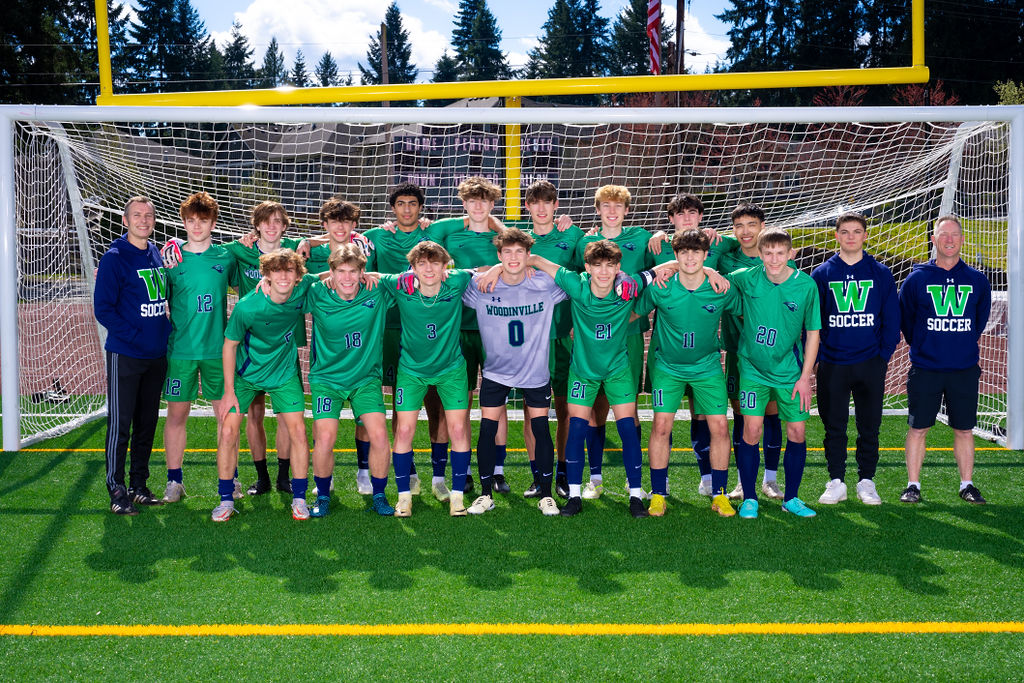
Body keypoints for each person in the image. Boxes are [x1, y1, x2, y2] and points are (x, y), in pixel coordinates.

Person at [528, 240, 664, 518]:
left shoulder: (630, 286)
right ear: (587, 267)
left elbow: (667, 267)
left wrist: (710, 273)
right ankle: (575, 496)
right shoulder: (576, 285)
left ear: (618, 268)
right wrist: (495, 270)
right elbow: (537, 261)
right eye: (598, 266)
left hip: (618, 370)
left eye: (611, 266)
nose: (604, 272)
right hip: (583, 371)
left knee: (628, 430)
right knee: (577, 429)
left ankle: (636, 496)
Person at [363, 183, 469, 501]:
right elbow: (346, 244)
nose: (407, 209)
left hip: (436, 325)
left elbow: (481, 217)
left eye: (412, 203)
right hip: (393, 331)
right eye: (400, 203)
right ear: (392, 208)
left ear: (421, 208)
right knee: (402, 407)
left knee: (438, 405)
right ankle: (406, 472)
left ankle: (439, 476)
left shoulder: (433, 233)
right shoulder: (377, 235)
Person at [382, 241, 496, 518]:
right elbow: (366, 276)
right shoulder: (401, 284)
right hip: (412, 370)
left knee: (458, 429)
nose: (429, 268)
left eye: (435, 262)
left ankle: (457, 496)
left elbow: (489, 269)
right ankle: (404, 496)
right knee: (404, 431)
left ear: (446, 265)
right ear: (413, 267)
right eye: (422, 263)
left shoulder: (456, 281)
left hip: (451, 370)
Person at [633, 229, 740, 517]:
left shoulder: (721, 288)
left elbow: (747, 313)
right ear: (676, 255)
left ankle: (719, 494)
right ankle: (658, 495)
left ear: (706, 256)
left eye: (696, 252)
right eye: (683, 252)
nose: (690, 257)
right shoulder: (660, 286)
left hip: (707, 367)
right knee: (661, 426)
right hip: (668, 367)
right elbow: (632, 313)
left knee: (718, 427)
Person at [463, 228, 568, 516]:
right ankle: (485, 494)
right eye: (506, 252)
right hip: (496, 372)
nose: (512, 257)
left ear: (527, 254)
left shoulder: (544, 284)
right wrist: (491, 270)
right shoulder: (481, 285)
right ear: (498, 255)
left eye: (519, 252)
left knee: (540, 429)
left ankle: (546, 495)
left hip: (535, 371)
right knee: (487, 429)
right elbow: (447, 278)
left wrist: (536, 262)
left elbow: (573, 280)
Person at [212, 249, 315, 522]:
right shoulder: (248, 306)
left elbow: (335, 276)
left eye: (289, 271)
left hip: (283, 374)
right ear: (266, 275)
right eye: (277, 271)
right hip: (246, 376)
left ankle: (300, 498)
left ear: (297, 276)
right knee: (228, 432)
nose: (283, 276)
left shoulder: (302, 289)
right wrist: (229, 391)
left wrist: (369, 275)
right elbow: (229, 345)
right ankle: (225, 500)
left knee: (299, 433)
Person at [898, 215, 991, 505]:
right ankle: (913, 485)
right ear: (934, 240)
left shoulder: (977, 280)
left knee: (964, 429)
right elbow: (907, 322)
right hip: (926, 368)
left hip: (963, 369)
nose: (949, 240)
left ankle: (967, 484)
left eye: (954, 235)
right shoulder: (916, 279)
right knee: (918, 428)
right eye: (943, 235)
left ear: (962, 240)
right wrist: (928, 346)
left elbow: (979, 321)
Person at [730, 228, 821, 519]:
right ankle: (750, 498)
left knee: (797, 431)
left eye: (780, 253)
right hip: (753, 370)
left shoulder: (806, 285)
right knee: (751, 430)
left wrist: (805, 377)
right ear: (760, 253)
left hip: (789, 372)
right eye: (768, 252)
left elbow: (813, 333)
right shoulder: (747, 276)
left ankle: (791, 498)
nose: (774, 258)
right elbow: (712, 277)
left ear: (791, 254)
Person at [811, 212, 900, 505]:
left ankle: (866, 481)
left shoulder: (881, 272)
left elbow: (891, 319)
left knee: (869, 425)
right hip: (833, 363)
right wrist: (818, 359)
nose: (851, 236)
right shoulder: (822, 274)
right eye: (845, 231)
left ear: (865, 235)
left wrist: (882, 357)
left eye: (856, 231)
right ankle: (836, 480)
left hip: (869, 363)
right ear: (836, 236)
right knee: (833, 426)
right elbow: (812, 322)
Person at [573, 186, 653, 500]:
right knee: (594, 409)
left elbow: (658, 272)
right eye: (606, 205)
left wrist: (661, 233)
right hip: (592, 339)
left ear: (627, 210)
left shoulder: (644, 237)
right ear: (597, 209)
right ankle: (595, 479)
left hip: (629, 334)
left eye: (618, 206)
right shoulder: (583, 241)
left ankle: (636, 482)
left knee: (627, 408)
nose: (611, 211)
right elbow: (573, 284)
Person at [94, 196, 172, 515]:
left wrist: (163, 331)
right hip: (125, 354)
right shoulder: (115, 257)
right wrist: (136, 336)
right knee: (121, 423)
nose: (144, 220)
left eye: (149, 215)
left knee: (147, 422)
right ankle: (117, 489)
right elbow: (103, 310)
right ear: (125, 221)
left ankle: (139, 484)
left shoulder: (155, 251)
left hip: (156, 355)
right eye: (137, 215)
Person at [305, 244, 395, 517]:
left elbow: (411, 277)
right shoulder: (317, 292)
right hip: (326, 380)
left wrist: (375, 275)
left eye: (353, 271)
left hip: (365, 379)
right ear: (331, 272)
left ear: (362, 272)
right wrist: (319, 277)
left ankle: (379, 494)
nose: (347, 277)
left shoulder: (376, 291)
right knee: (325, 437)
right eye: (340, 271)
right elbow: (290, 284)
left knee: (380, 435)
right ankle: (322, 496)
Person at [161, 192, 237, 503]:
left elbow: (251, 274)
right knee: (177, 414)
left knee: (226, 417)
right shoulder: (171, 260)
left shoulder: (225, 257)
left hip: (218, 353)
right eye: (190, 221)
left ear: (213, 223)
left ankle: (230, 479)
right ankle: (174, 481)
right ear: (183, 222)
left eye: (202, 221)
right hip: (180, 350)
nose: (196, 226)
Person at [225, 202, 304, 496]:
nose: (271, 226)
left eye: (277, 221)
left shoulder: (295, 249)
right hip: (250, 348)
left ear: (285, 225)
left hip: (283, 345)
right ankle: (263, 477)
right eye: (265, 221)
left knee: (287, 416)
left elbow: (326, 243)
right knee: (254, 415)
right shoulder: (240, 250)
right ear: (256, 225)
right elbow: (209, 250)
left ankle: (285, 476)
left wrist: (312, 240)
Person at [511, 180, 582, 499]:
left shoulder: (573, 236)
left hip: (565, 337)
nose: (541, 208)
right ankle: (539, 475)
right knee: (532, 410)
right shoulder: (517, 238)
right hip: (529, 340)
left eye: (548, 202)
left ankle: (565, 473)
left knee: (567, 408)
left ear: (556, 206)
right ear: (528, 206)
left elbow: (592, 271)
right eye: (535, 202)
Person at [305, 197, 377, 496]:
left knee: (366, 420)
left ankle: (364, 471)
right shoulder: (310, 251)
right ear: (325, 225)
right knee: (324, 428)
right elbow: (294, 278)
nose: (340, 226)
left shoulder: (367, 249)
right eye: (334, 221)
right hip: (328, 356)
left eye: (346, 221)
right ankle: (324, 478)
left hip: (363, 346)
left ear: (353, 225)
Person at [716, 203, 785, 502]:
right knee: (743, 415)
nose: (746, 231)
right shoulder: (726, 258)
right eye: (739, 226)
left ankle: (770, 479)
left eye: (752, 224)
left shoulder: (779, 262)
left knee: (771, 415)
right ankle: (745, 481)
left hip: (771, 355)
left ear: (763, 226)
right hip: (737, 349)